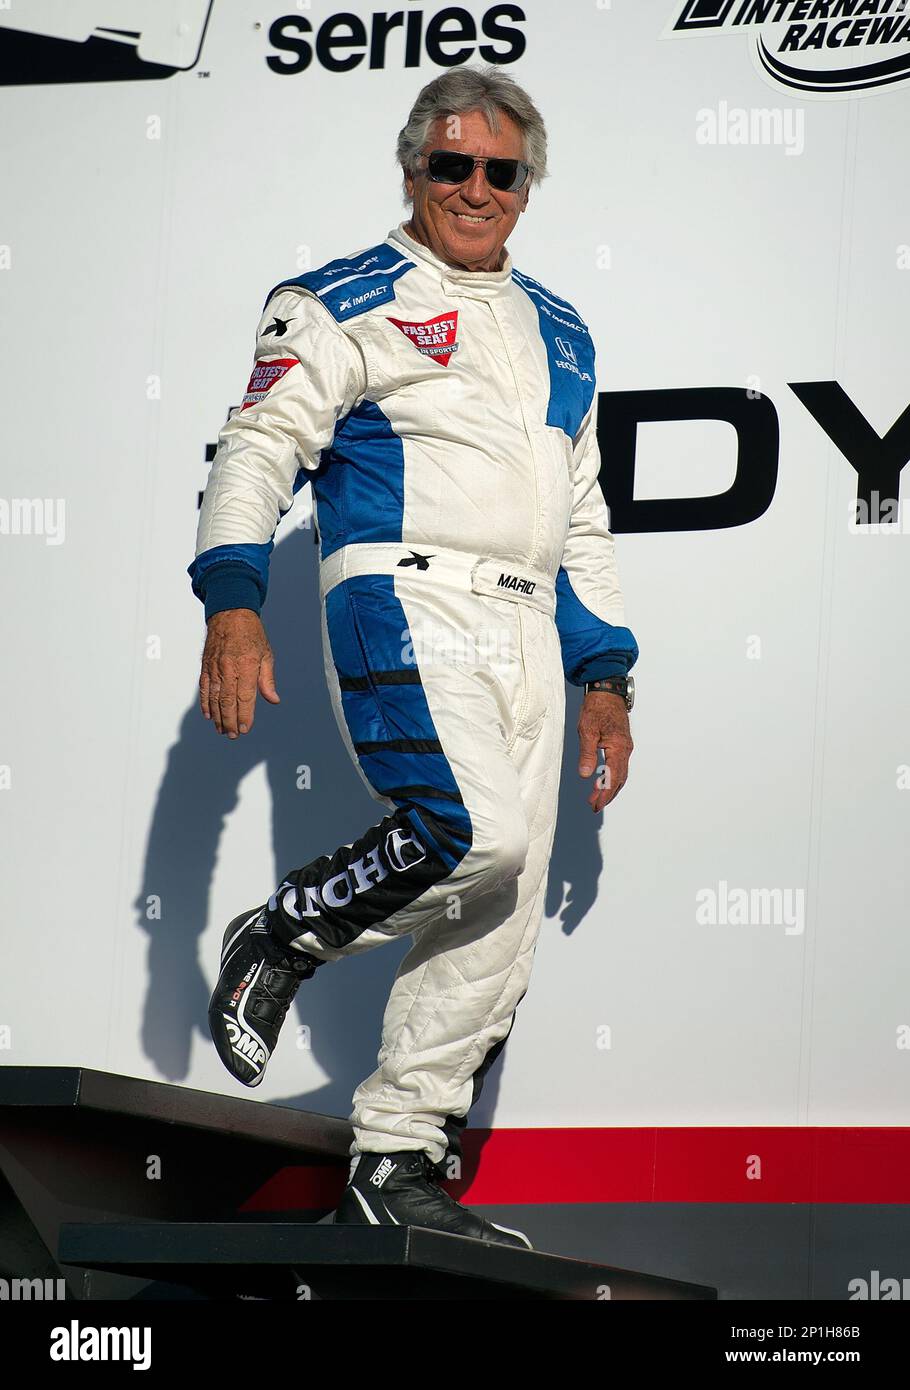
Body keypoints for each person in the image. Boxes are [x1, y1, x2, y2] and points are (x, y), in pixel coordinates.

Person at [189, 65, 638, 1250]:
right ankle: (284, 932)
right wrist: (233, 602)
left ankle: (394, 1158)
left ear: (527, 187)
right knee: (469, 833)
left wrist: (606, 675)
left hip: (531, 627)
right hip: (403, 597)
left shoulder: (563, 325)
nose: (475, 188)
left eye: (501, 171)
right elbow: (257, 448)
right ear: (411, 171)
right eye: (452, 165)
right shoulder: (337, 297)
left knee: (501, 908)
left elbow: (581, 514)